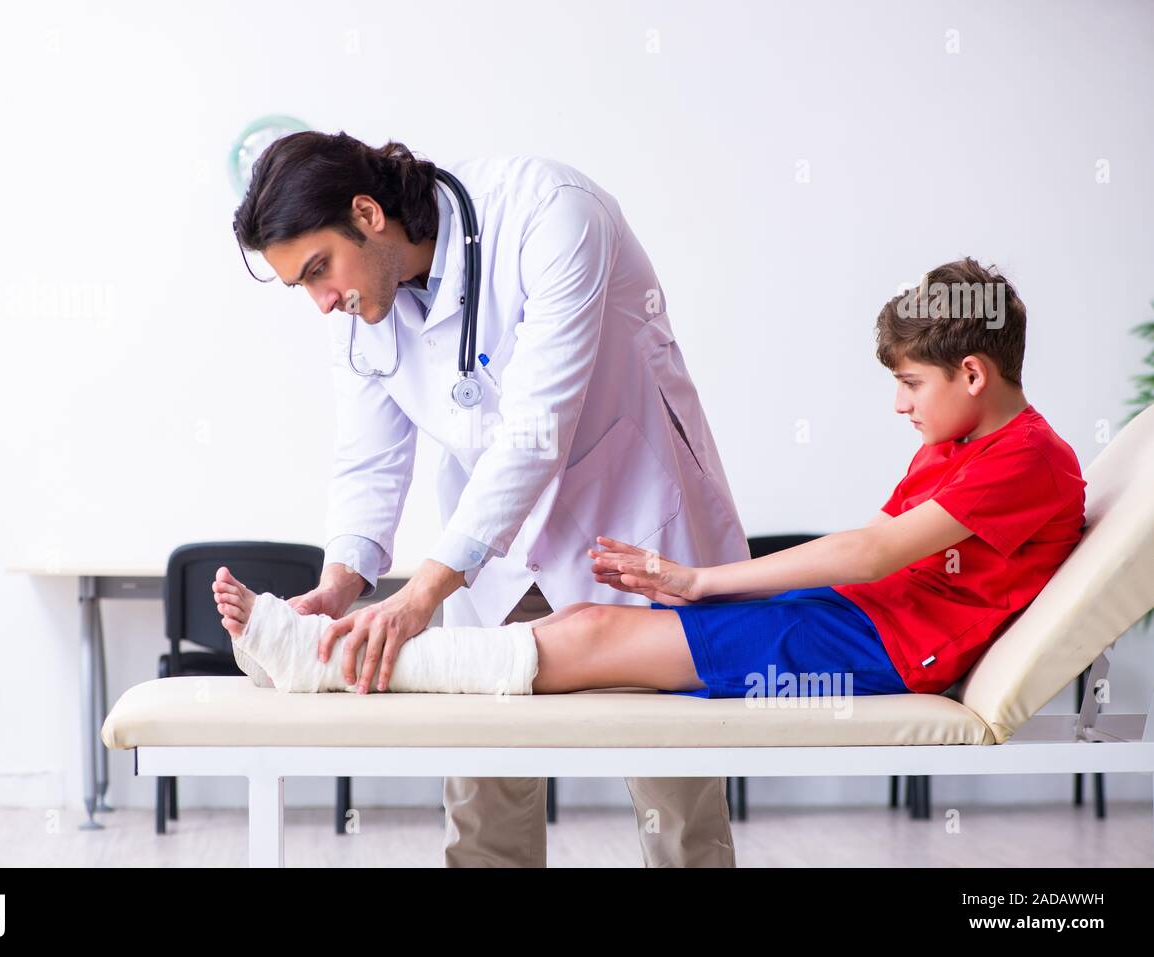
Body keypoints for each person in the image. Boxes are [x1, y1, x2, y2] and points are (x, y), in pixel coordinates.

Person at [215, 257, 1085, 717]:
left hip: (888, 649)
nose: (900, 405)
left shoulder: (1025, 459)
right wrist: (694, 583)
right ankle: (322, 651)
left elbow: (870, 548)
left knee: (595, 629)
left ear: (972, 372)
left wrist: (696, 580)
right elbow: (871, 559)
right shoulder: (974, 437)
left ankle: (315, 661)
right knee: (584, 625)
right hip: (869, 618)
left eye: (913, 385)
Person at [231, 131, 749, 867]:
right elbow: (369, 462)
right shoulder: (359, 308)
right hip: (494, 555)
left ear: (368, 212)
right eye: (302, 286)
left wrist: (424, 592)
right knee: (484, 798)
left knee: (675, 799)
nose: (322, 301)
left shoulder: (551, 214)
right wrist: (338, 584)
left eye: (320, 269)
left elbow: (538, 428)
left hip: (632, 525)